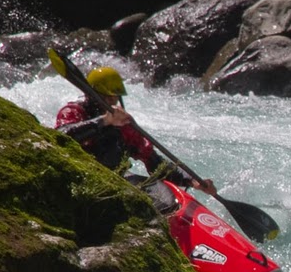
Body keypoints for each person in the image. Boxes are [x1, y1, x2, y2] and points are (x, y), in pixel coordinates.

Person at [55, 65, 214, 194]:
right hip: (77, 176)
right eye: (107, 97)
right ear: (91, 94)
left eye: (115, 97)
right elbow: (60, 137)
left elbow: (154, 162)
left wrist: (191, 181)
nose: (112, 101)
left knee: (163, 192)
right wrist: (103, 121)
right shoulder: (73, 112)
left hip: (113, 178)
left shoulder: (123, 125)